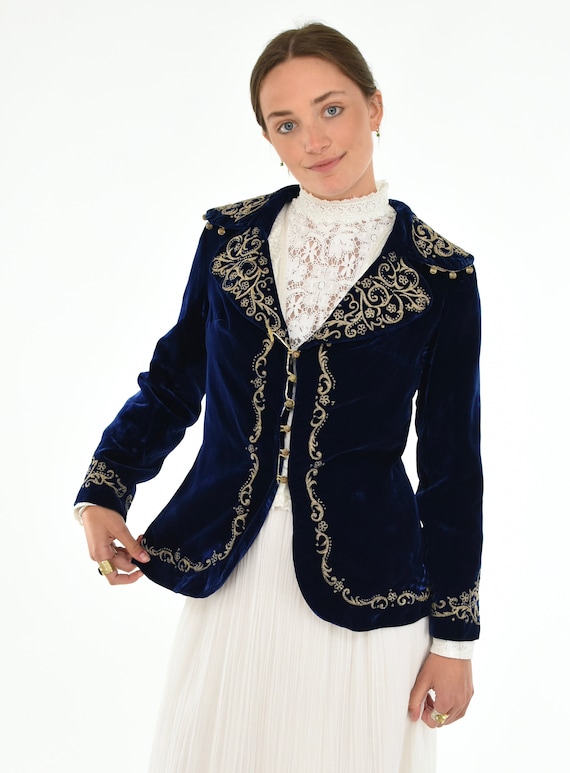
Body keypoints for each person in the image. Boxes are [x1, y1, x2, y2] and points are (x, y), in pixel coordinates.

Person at [75, 22, 482, 772]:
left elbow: (452, 466)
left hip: (368, 594)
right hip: (231, 576)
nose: (314, 140)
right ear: (268, 137)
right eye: (285, 123)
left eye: (332, 109)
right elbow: (175, 380)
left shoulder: (440, 276)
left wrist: (454, 640)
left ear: (375, 108)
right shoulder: (228, 239)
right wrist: (105, 487)